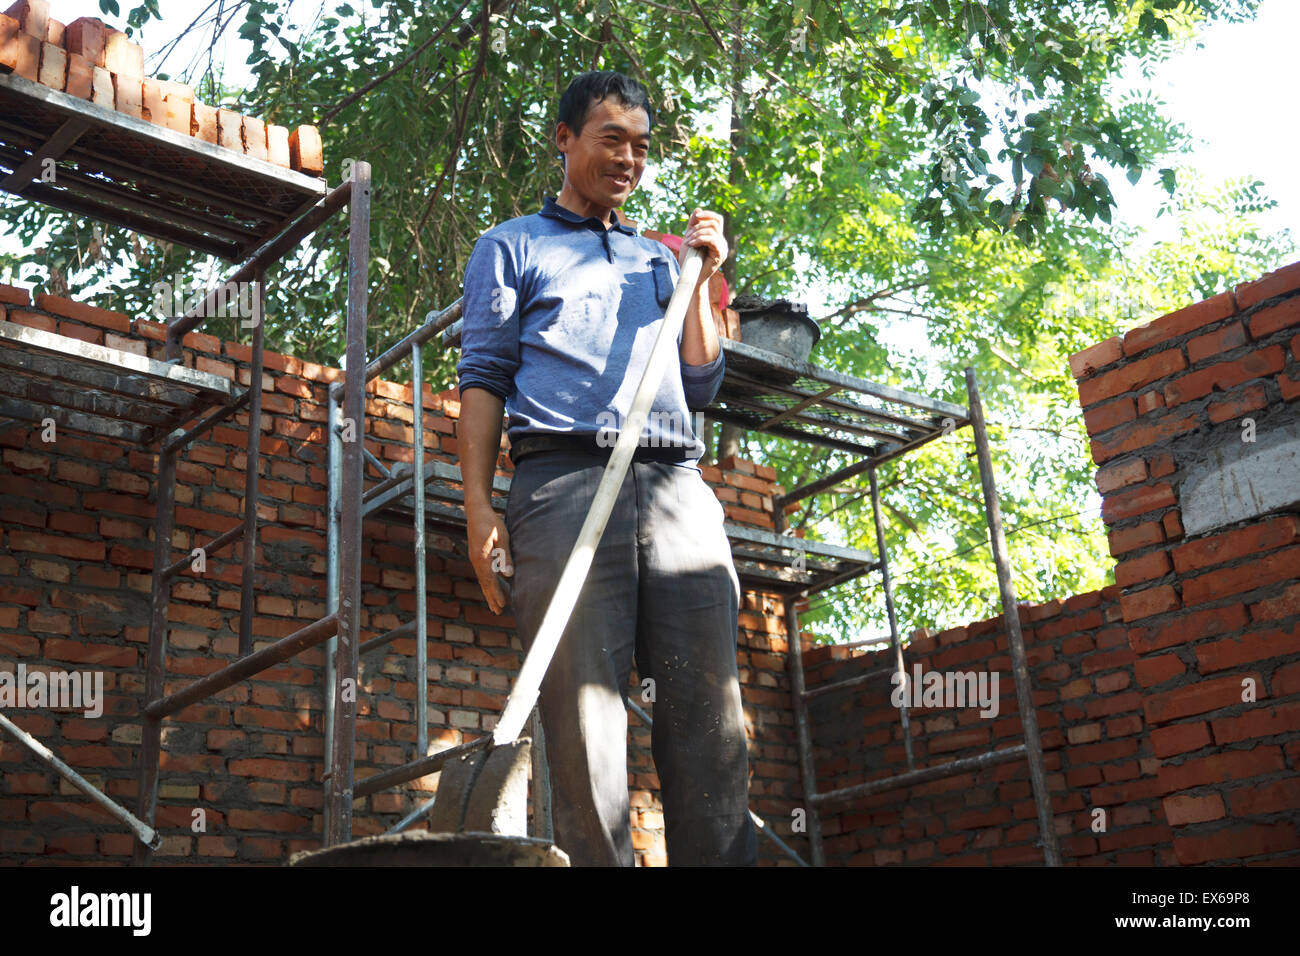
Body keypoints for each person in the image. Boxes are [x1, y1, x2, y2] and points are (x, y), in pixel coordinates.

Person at [456, 70, 757, 867]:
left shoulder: (661, 261)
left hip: (675, 489)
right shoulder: (512, 245)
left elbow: (701, 380)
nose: (628, 159)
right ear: (565, 140)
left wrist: (701, 274)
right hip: (560, 485)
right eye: (610, 139)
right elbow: (483, 379)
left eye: (642, 146)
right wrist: (480, 508)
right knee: (585, 720)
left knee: (709, 715)